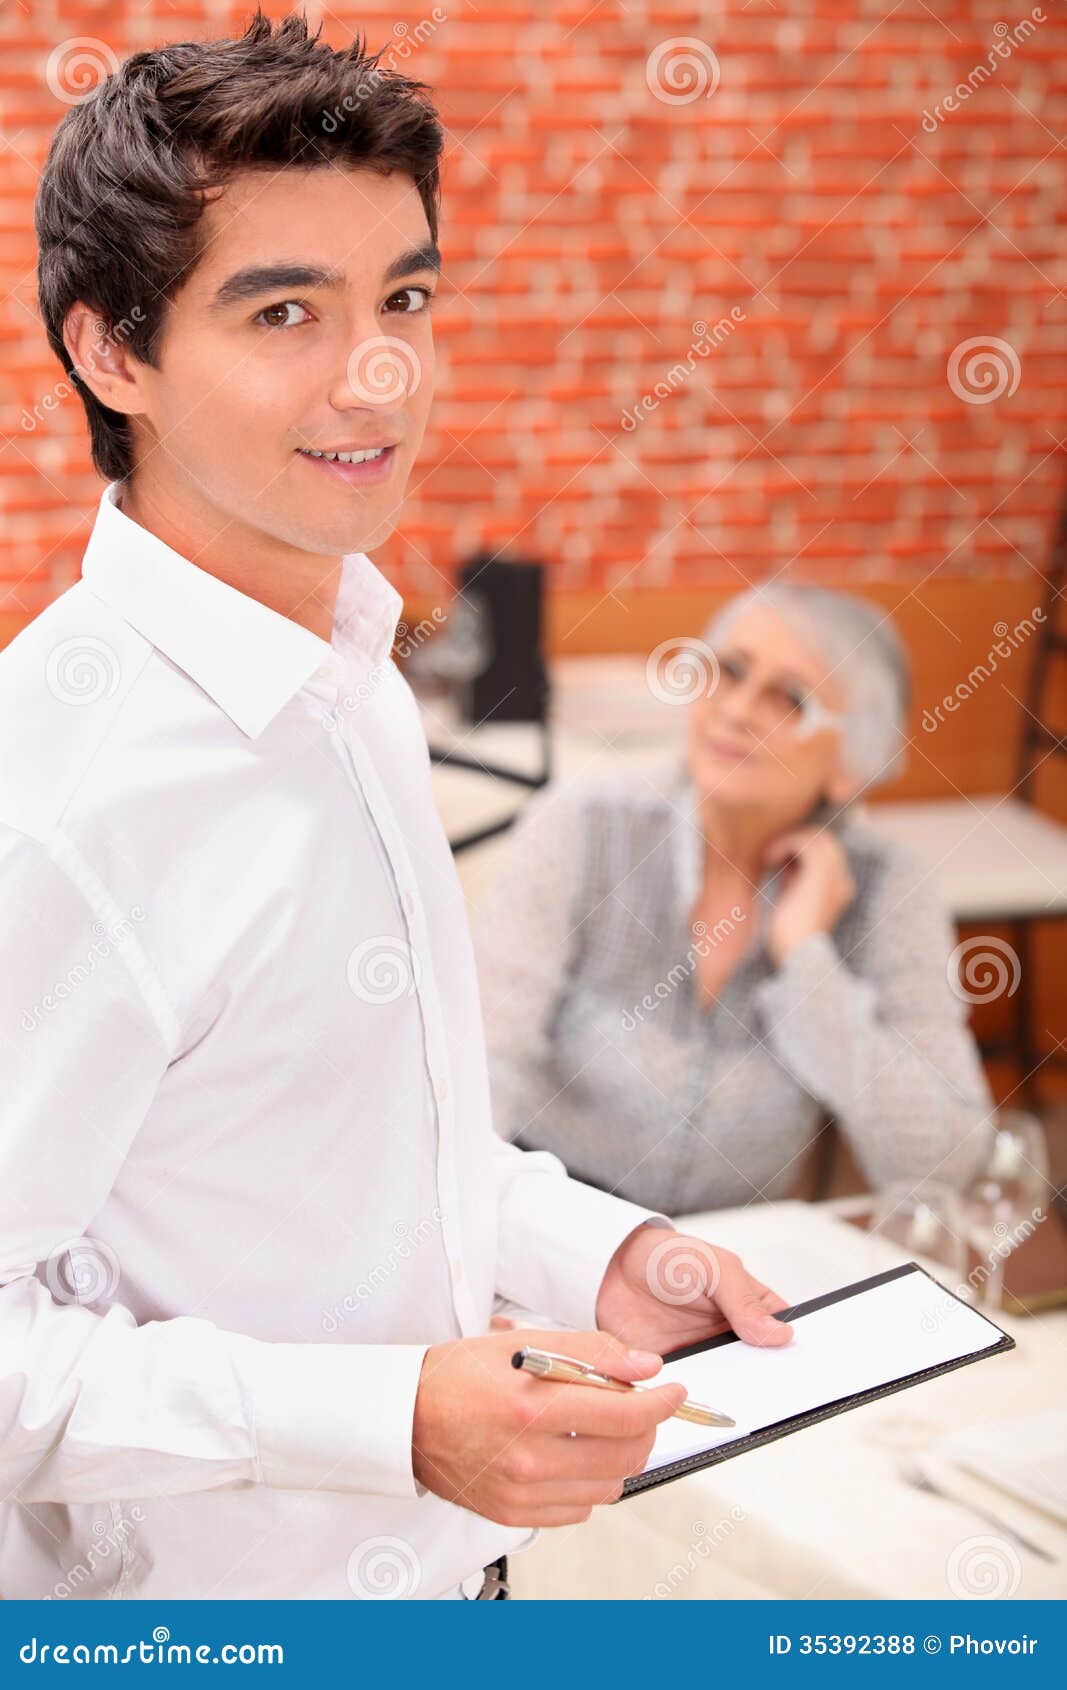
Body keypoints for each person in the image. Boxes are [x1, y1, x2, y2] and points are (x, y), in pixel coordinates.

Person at [0, 11, 791, 1602]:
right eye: (282, 308)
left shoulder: (353, 667)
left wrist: (600, 1256)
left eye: (404, 300)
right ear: (113, 351)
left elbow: (361, 1140)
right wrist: (389, 1420)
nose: (378, 375)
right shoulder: (58, 797)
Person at [476, 585, 993, 1217]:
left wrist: (807, 959)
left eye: (790, 700)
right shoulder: (582, 826)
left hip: (741, 1258)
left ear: (850, 768)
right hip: (551, 1218)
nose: (740, 709)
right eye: (731, 672)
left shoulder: (886, 887)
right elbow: (484, 1066)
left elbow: (948, 1158)